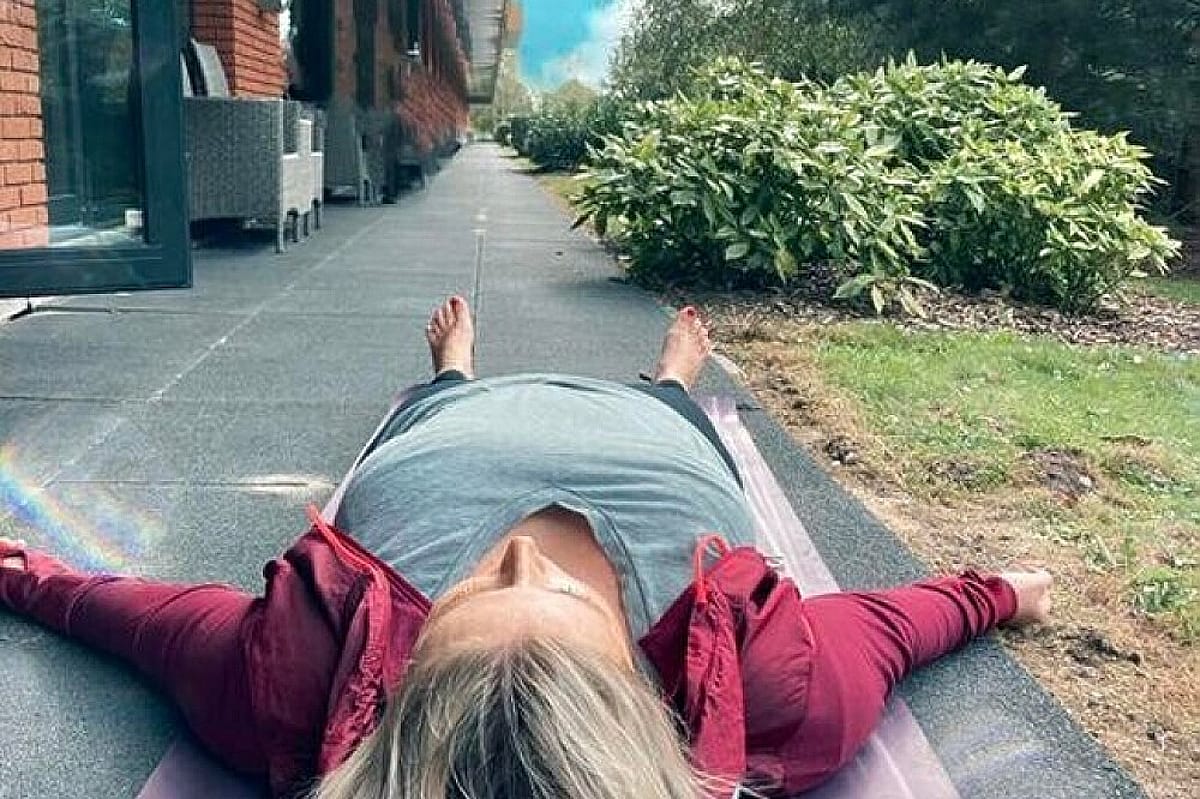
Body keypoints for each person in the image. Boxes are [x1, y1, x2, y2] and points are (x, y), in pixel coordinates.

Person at [0, 296, 1052, 799]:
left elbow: (133, 616)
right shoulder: (778, 686)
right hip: (654, 440)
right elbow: (897, 623)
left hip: (451, 428)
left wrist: (21, 571)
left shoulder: (293, 678)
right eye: (566, 600)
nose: (517, 556)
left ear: (398, 687)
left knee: (440, 400)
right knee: (676, 409)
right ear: (645, 700)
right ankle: (673, 378)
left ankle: (454, 369)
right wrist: (1002, 591)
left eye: (472, 595)